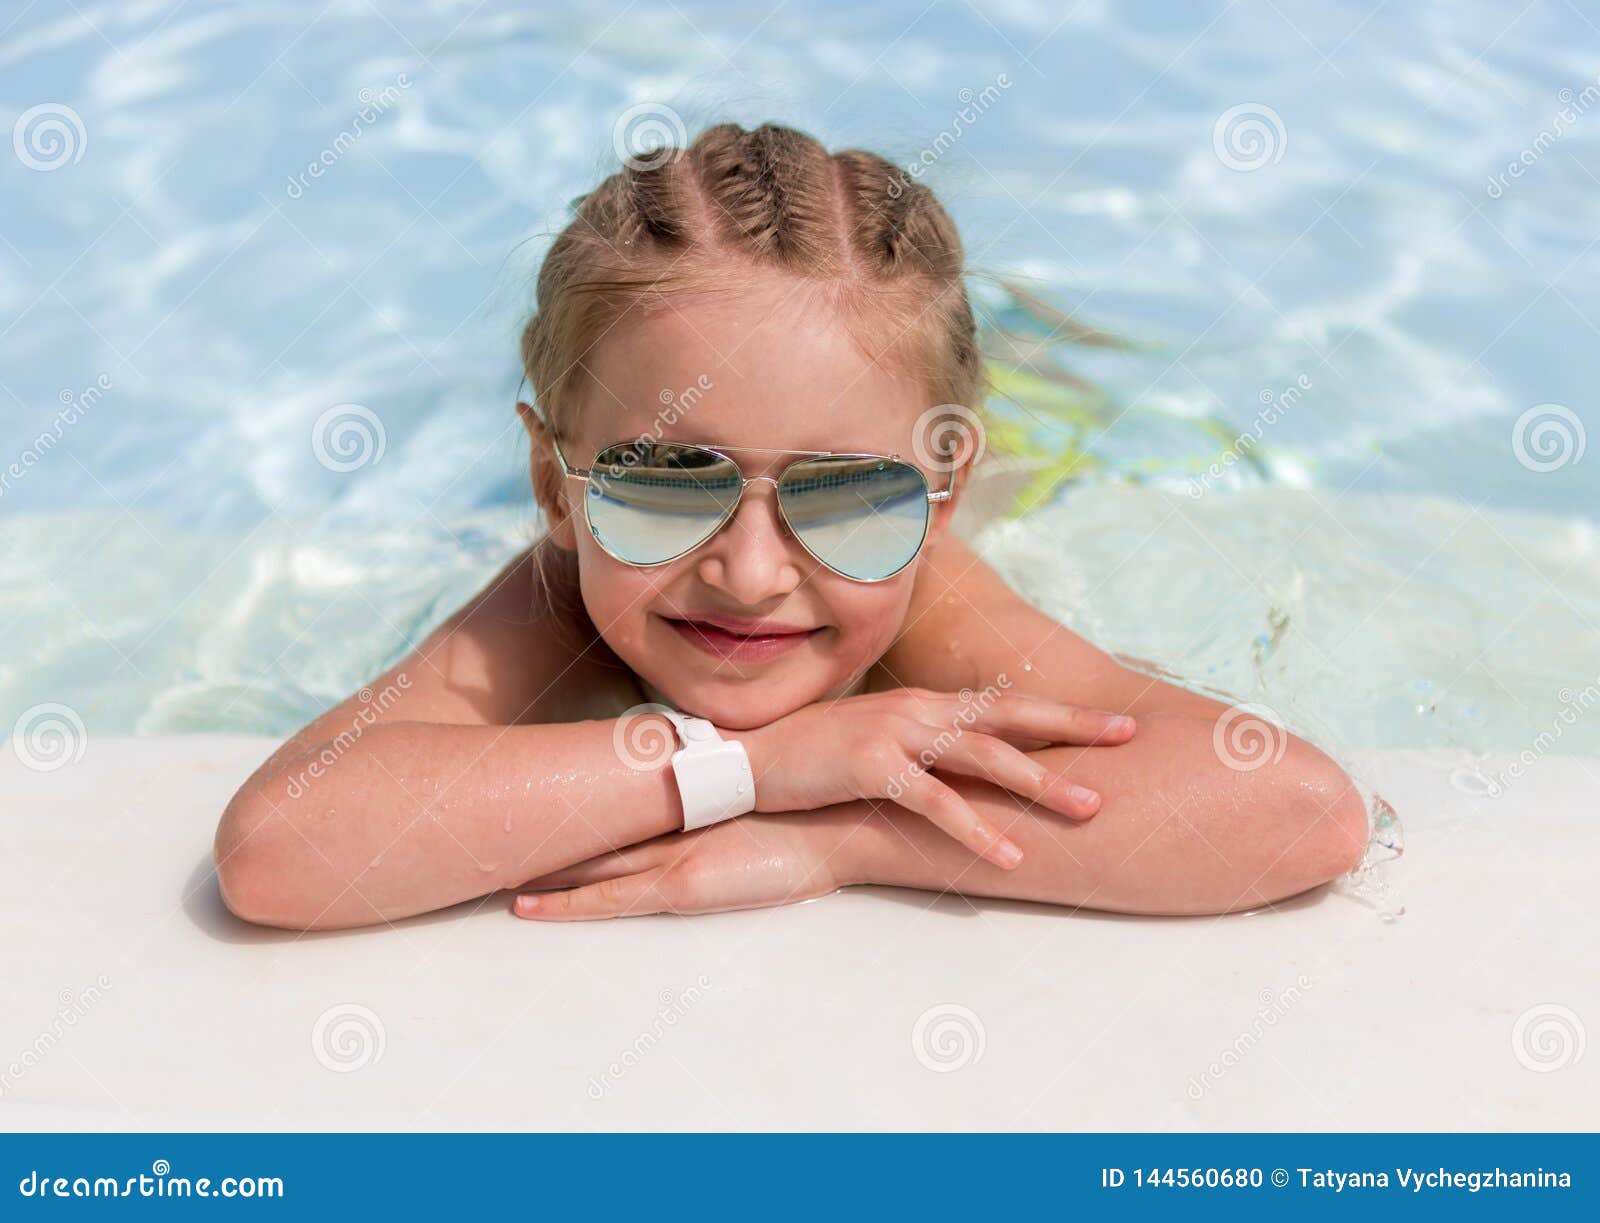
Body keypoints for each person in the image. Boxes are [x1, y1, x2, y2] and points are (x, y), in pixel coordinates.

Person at [214, 122, 1367, 931]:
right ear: (552, 483)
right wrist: (754, 766)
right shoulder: (551, 603)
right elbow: (280, 848)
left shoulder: (938, 607)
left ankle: (1032, 360)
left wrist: (840, 839)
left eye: (849, 495)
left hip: (1034, 453)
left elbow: (1292, 808)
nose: (753, 573)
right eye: (662, 479)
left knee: (1050, 418)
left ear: (939, 498)